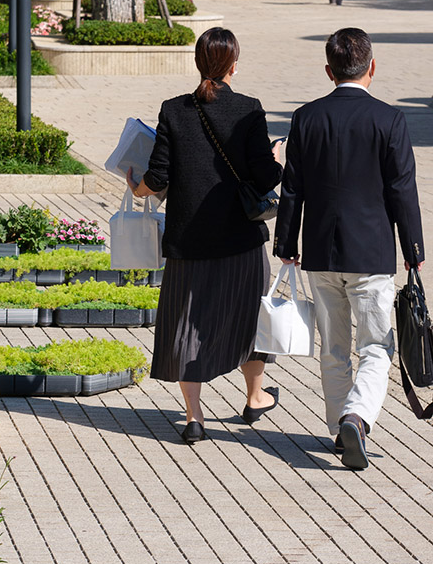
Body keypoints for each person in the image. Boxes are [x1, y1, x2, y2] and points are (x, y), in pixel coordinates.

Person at [272, 28, 424, 470]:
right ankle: (357, 417)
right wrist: (413, 248)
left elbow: (293, 188)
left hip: (319, 250)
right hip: (372, 254)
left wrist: (285, 244)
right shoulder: (390, 119)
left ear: (328, 71)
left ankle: (341, 424)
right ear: (371, 67)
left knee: (334, 348)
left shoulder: (306, 118)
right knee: (376, 346)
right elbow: (403, 191)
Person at [129, 28, 283, 444]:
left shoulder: (174, 110)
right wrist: (275, 156)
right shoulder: (250, 109)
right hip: (240, 239)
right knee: (250, 318)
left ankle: (194, 417)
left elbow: (157, 177)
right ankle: (254, 397)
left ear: (199, 63)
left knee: (186, 325)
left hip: (188, 242)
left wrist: (135, 186)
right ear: (234, 65)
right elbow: (267, 177)